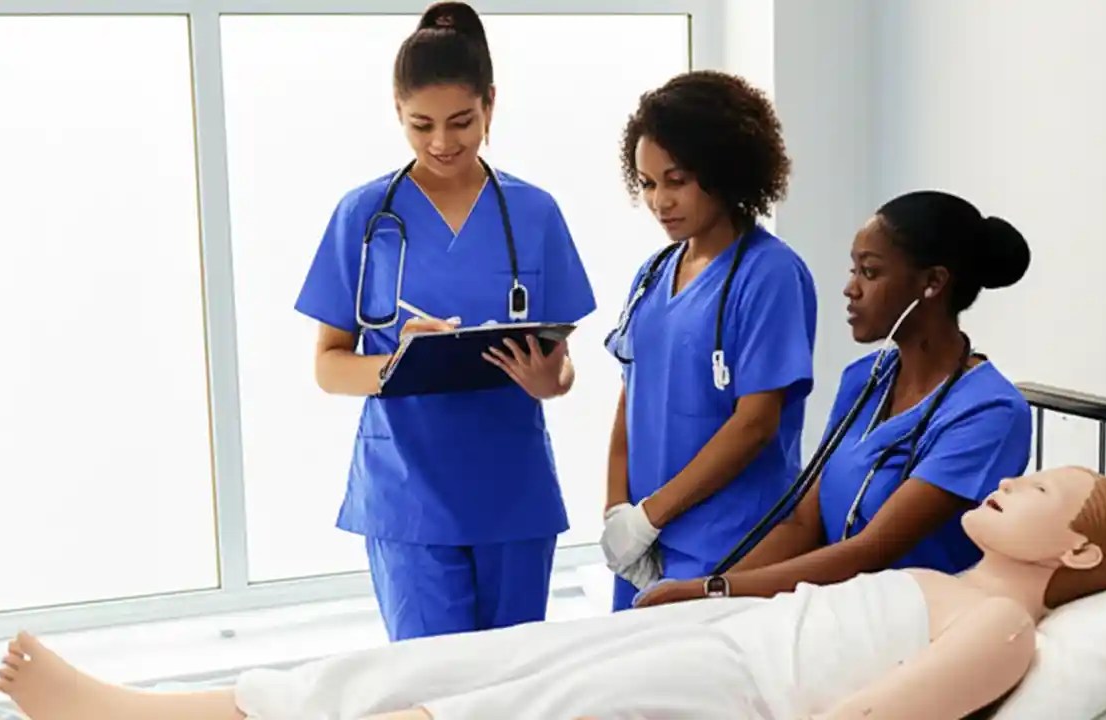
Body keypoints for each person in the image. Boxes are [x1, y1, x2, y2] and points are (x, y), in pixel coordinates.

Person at [0, 466, 1106, 720]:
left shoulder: (996, 620)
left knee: (499, 712)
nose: (1008, 476)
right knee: (443, 665)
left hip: (740, 685)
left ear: (1078, 557)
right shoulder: (945, 579)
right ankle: (160, 714)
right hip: (734, 635)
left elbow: (862, 719)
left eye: (1041, 484)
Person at [293, 1, 596, 641]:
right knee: (432, 687)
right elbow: (327, 365)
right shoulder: (364, 216)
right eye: (419, 124)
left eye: (462, 121)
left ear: (491, 102)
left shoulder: (534, 213)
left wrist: (553, 381)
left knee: (510, 687)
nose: (441, 142)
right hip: (407, 496)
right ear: (395, 111)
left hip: (512, 490)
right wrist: (397, 362)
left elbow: (562, 361)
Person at [635, 189, 1035, 609]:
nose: (850, 289)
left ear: (932, 282)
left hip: (917, 624)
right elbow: (802, 524)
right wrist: (716, 598)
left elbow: (871, 549)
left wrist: (712, 590)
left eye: (870, 272)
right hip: (835, 610)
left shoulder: (989, 412)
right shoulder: (866, 380)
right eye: (854, 269)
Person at [599, 70, 818, 611]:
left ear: (724, 172)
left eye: (677, 181)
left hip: (727, 542)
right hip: (644, 545)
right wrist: (616, 515)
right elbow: (632, 395)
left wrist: (651, 515)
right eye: (648, 184)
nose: (659, 202)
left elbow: (755, 422)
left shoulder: (769, 275)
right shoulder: (653, 274)